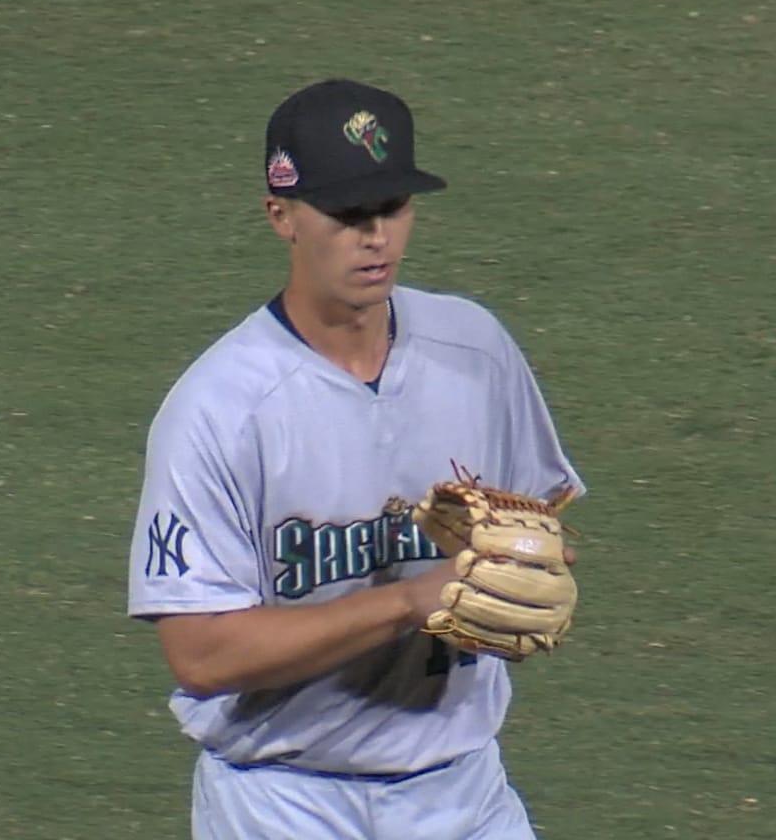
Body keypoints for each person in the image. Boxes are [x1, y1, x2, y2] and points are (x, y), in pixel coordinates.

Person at [126, 78, 586, 840]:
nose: (376, 236)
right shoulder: (220, 409)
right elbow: (200, 654)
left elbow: (539, 534)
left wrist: (531, 566)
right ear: (282, 217)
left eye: (393, 208)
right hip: (286, 802)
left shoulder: (476, 350)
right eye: (347, 215)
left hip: (463, 791)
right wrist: (412, 600)